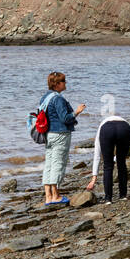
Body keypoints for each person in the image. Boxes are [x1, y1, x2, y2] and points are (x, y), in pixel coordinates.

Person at [39, 72, 84, 206]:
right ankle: (56, 195)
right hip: (60, 134)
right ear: (57, 84)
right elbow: (65, 118)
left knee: (49, 164)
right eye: (63, 81)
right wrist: (77, 111)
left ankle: (48, 196)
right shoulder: (58, 98)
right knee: (58, 164)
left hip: (48, 134)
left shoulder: (44, 97)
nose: (65, 83)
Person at [86, 109, 130, 204]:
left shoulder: (102, 127)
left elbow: (97, 155)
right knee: (121, 162)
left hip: (107, 130)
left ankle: (108, 199)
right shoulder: (123, 121)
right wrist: (117, 158)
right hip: (125, 128)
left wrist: (93, 179)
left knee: (108, 165)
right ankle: (123, 195)